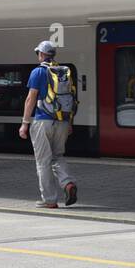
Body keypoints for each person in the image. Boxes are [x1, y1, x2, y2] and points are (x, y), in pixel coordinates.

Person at [18, 40, 78, 209]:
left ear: (41, 55)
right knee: (58, 156)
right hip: (63, 121)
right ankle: (68, 183)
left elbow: (31, 99)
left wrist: (25, 123)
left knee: (43, 161)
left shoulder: (38, 72)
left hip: (43, 121)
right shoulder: (64, 71)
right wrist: (70, 122)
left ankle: (49, 200)